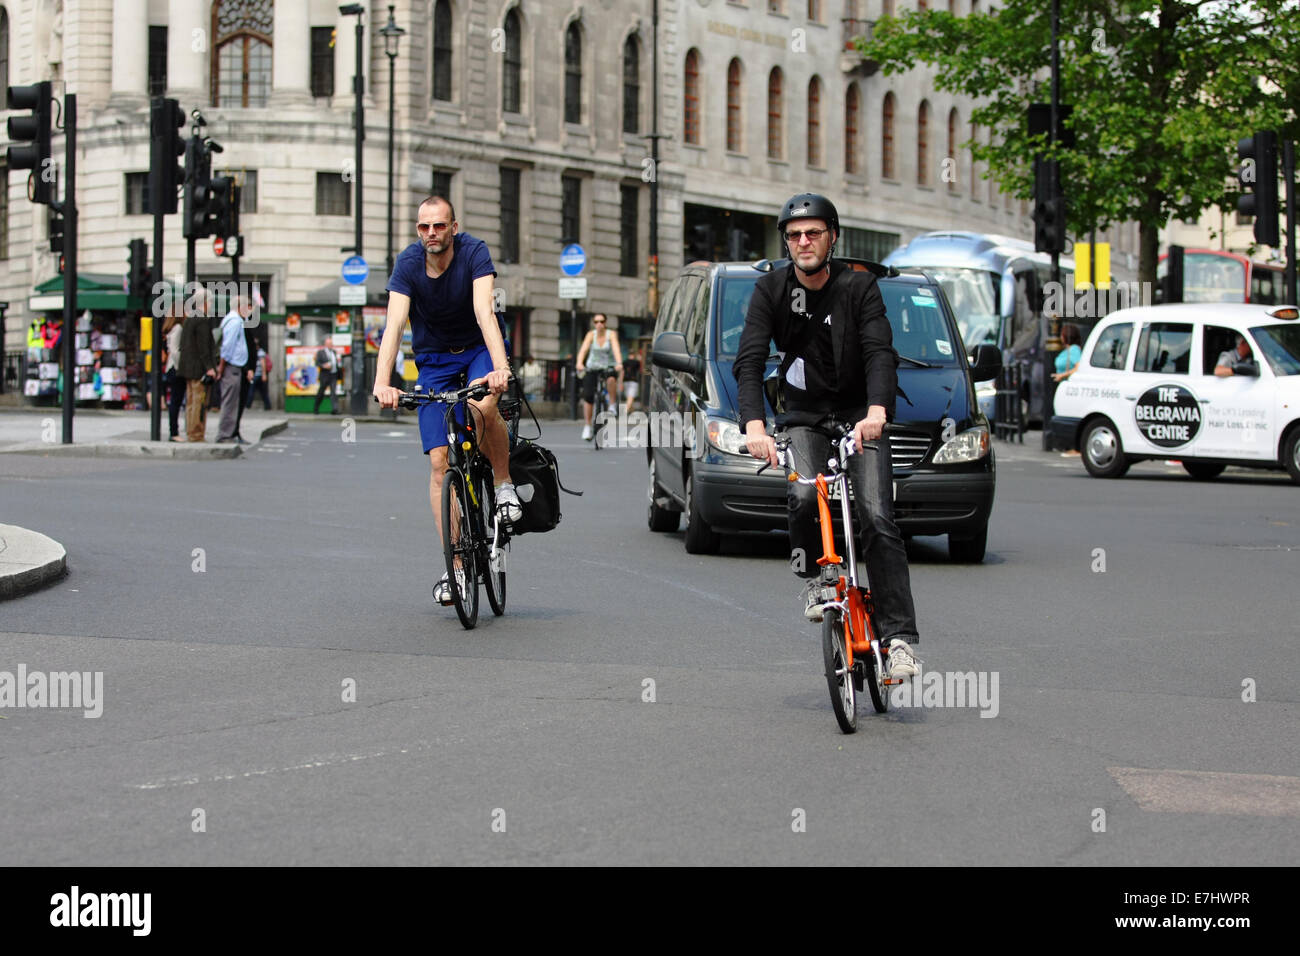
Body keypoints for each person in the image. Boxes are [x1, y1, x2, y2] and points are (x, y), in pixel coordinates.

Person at [733, 193, 919, 680]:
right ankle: (817, 579)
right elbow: (749, 360)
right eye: (794, 235)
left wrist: (878, 410)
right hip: (803, 416)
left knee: (877, 515)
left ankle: (899, 639)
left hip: (861, 416)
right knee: (800, 493)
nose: (803, 242)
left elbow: (881, 351)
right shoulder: (770, 291)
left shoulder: (859, 288)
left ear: (832, 237)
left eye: (813, 232)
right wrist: (754, 426)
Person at [372, 195, 520, 606]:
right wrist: (383, 382)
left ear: (453, 227)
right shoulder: (407, 264)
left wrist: (500, 368)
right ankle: (455, 565)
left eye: (439, 226)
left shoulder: (473, 252)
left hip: (477, 351)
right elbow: (394, 325)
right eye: (424, 227)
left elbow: (483, 312)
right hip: (434, 361)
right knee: (440, 461)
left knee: (481, 406)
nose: (431, 234)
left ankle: (504, 484)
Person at [177, 294, 217, 443]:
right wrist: (210, 368)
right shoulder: (202, 321)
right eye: (211, 302)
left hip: (188, 368)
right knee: (199, 402)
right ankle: (196, 434)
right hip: (198, 369)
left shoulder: (189, 320)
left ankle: (190, 431)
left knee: (190, 401)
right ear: (205, 303)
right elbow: (204, 347)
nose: (211, 305)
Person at [576, 314, 622, 440]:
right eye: (596, 322)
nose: (599, 324)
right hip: (592, 367)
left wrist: (619, 362)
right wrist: (579, 362)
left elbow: (616, 348)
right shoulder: (591, 335)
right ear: (594, 323)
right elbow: (584, 349)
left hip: (608, 366)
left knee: (611, 379)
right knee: (588, 395)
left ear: (605, 323)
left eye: (602, 321)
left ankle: (612, 404)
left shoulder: (611, 334)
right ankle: (587, 426)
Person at [215, 296, 252, 443]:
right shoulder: (235, 321)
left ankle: (228, 433)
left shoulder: (233, 320)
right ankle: (224, 435)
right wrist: (222, 367)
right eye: (247, 306)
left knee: (232, 401)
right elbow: (227, 346)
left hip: (234, 366)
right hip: (232, 367)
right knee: (230, 402)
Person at [162, 311, 185, 441]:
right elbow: (175, 351)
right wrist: (180, 367)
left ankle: (174, 431)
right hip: (175, 368)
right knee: (176, 400)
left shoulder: (172, 329)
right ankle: (174, 432)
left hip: (171, 367)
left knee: (174, 400)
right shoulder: (178, 329)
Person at [313, 341, 341, 413]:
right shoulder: (321, 352)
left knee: (333, 392)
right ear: (326, 344)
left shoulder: (334, 352)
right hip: (325, 375)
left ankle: (335, 409)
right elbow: (317, 363)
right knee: (321, 392)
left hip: (333, 374)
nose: (331, 345)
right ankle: (316, 408)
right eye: (329, 344)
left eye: (331, 344)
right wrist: (324, 366)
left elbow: (336, 362)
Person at [246, 345, 272, 410]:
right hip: (257, 375)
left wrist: (264, 374)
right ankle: (267, 406)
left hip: (258, 375)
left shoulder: (260, 352)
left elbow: (263, 363)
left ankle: (248, 405)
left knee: (252, 391)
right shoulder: (256, 352)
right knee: (262, 392)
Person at [623, 344, 643, 414]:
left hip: (625, 381)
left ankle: (630, 410)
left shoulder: (625, 362)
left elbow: (622, 372)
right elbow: (641, 369)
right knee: (630, 397)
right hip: (633, 381)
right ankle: (625, 411)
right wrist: (640, 359)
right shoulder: (636, 362)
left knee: (629, 398)